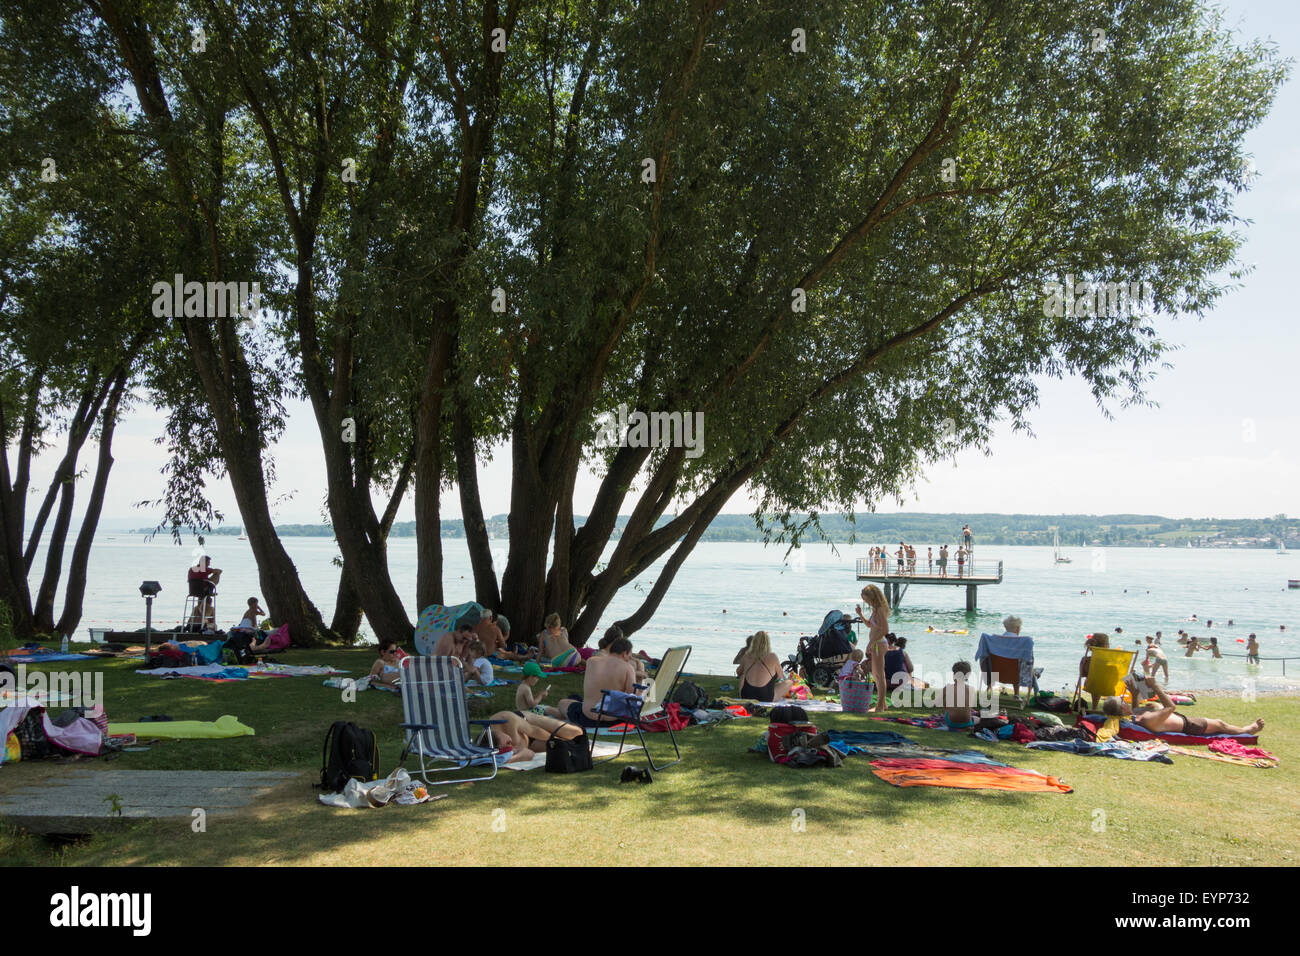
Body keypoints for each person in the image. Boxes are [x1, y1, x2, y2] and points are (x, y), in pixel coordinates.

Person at [1103, 678, 1262, 737]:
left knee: (1151, 705)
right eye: (1123, 702)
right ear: (1123, 709)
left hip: (1181, 720)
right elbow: (1170, 707)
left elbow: (1135, 710)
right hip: (1190, 726)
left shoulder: (1135, 717)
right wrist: (1156, 687)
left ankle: (1245, 730)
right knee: (1220, 724)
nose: (1125, 702)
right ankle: (1247, 731)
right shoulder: (1146, 719)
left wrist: (1135, 691)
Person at [557, 636, 638, 728]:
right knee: (575, 698)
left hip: (588, 719)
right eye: (629, 656)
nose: (628, 660)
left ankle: (551, 712)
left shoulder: (591, 661)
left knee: (562, 703)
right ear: (624, 653)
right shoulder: (628, 668)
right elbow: (633, 695)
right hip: (614, 720)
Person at [478, 710, 586, 764]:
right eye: (507, 747)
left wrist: (557, 739)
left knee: (576, 733)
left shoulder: (504, 720)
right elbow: (528, 754)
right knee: (567, 746)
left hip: (527, 721)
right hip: (529, 743)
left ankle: (545, 710)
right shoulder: (494, 749)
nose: (510, 744)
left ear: (495, 734)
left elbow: (535, 731)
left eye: (507, 743)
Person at [854, 584, 891, 713]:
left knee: (879, 675)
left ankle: (880, 706)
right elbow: (871, 625)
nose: (866, 602)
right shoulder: (876, 609)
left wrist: (872, 642)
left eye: (867, 600)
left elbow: (885, 629)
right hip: (876, 643)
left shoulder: (880, 609)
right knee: (876, 674)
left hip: (879, 644)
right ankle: (883, 703)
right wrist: (860, 614)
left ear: (873, 597)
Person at [735, 631, 793, 702]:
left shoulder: (747, 656)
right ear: (767, 643)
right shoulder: (772, 656)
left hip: (746, 695)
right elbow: (780, 676)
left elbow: (738, 672)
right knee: (789, 682)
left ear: (754, 642)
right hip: (765, 697)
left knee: (743, 676)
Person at [186, 555, 222, 629]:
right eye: (208, 562)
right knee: (217, 574)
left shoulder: (192, 569)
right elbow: (219, 571)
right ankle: (210, 590)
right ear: (204, 562)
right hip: (202, 589)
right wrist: (216, 573)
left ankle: (209, 590)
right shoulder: (204, 569)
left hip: (193, 590)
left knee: (203, 601)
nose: (209, 564)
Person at [940, 661, 979, 729]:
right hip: (967, 723)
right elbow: (970, 706)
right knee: (977, 719)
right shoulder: (971, 689)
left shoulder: (948, 687)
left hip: (951, 723)